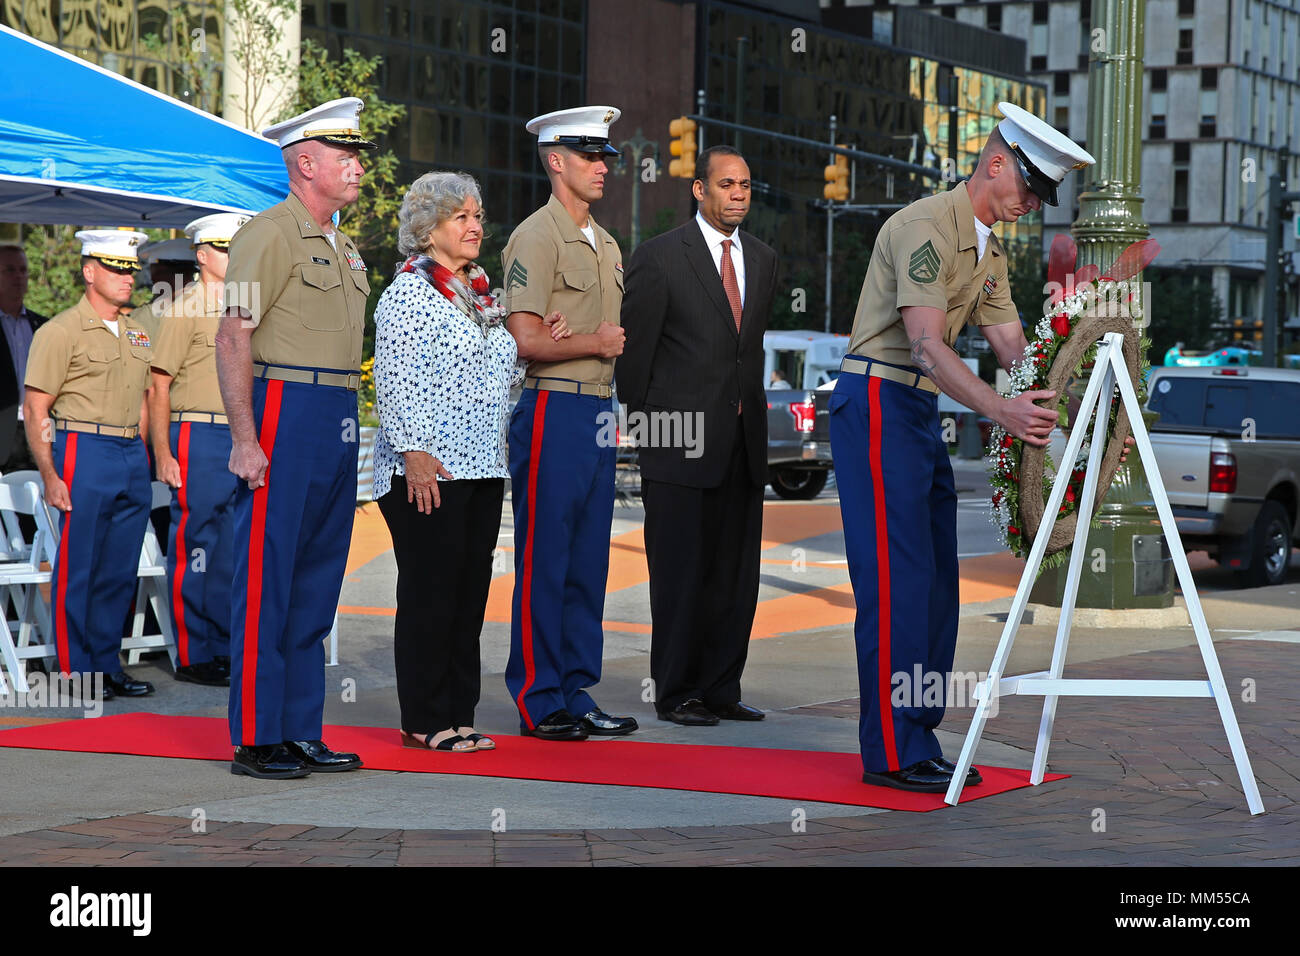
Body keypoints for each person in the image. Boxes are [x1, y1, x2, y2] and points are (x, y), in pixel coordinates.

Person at [829, 103, 1095, 792]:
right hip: (879, 400)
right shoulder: (926, 226)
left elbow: (1016, 352)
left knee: (934, 586)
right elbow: (924, 345)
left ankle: (917, 737)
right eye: (1028, 187)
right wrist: (1004, 411)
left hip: (914, 411)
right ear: (996, 163)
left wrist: (1083, 408)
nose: (1032, 202)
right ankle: (890, 751)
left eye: (1042, 195)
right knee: (895, 583)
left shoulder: (990, 249)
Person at [372, 171, 569, 753]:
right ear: (428, 229)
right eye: (461, 217)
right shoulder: (409, 293)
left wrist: (538, 343)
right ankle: (424, 719)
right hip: (429, 468)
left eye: (477, 215)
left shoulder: (482, 296)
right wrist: (415, 454)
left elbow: (498, 380)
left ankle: (458, 713)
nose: (475, 226)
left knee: (468, 595)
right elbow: (395, 380)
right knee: (431, 595)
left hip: (483, 464)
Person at [216, 97, 376, 780]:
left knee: (316, 579)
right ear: (306, 162)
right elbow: (234, 336)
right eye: (347, 155)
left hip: (336, 410)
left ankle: (301, 727)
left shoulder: (343, 246)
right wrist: (245, 438)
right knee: (268, 577)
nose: (360, 167)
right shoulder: (269, 233)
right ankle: (257, 734)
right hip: (283, 405)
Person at [618, 145, 777, 726]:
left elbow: (746, 352)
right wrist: (650, 432)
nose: (738, 194)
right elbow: (633, 361)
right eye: (727, 184)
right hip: (675, 443)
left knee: (735, 575)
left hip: (743, 443)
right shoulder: (659, 258)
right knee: (681, 573)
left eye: (746, 185)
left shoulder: (762, 259)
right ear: (699, 190)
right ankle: (678, 691)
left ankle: (721, 688)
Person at [501, 106, 636, 741]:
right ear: (556, 161)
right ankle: (537, 693)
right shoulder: (536, 236)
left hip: (596, 410)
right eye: (589, 156)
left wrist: (588, 343)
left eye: (605, 156)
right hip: (552, 403)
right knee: (546, 556)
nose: (602, 166)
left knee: (587, 560)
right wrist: (593, 341)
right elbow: (524, 339)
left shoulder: (605, 243)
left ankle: (576, 690)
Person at [22, 229, 155, 700]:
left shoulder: (139, 328)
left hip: (129, 453)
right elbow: (37, 407)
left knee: (119, 569)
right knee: (80, 566)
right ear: (88, 270)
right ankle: (76, 670)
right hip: (84, 448)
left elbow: (143, 396)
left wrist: (142, 454)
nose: (126, 277)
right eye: (116, 268)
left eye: (130, 269)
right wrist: (51, 473)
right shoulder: (60, 331)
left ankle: (106, 662)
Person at [148, 213, 250, 688]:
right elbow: (159, 386)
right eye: (225, 250)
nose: (233, 258)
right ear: (203, 256)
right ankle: (194, 651)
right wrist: (164, 452)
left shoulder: (246, 303)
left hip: (239, 433)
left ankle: (228, 644)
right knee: (197, 543)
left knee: (233, 545)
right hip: (200, 433)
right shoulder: (183, 307)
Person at [0, 244, 47, 472]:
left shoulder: (44, 326)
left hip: (38, 432)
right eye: (9, 270)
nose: (18, 276)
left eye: (23, 270)